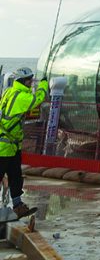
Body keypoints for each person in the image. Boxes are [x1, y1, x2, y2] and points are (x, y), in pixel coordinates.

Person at [0, 66, 49, 218]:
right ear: (23, 81)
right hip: (4, 147)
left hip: (12, 147)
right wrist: (44, 84)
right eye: (30, 80)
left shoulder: (9, 91)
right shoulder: (20, 97)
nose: (31, 83)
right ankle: (16, 206)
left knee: (15, 176)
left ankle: (18, 206)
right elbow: (38, 99)